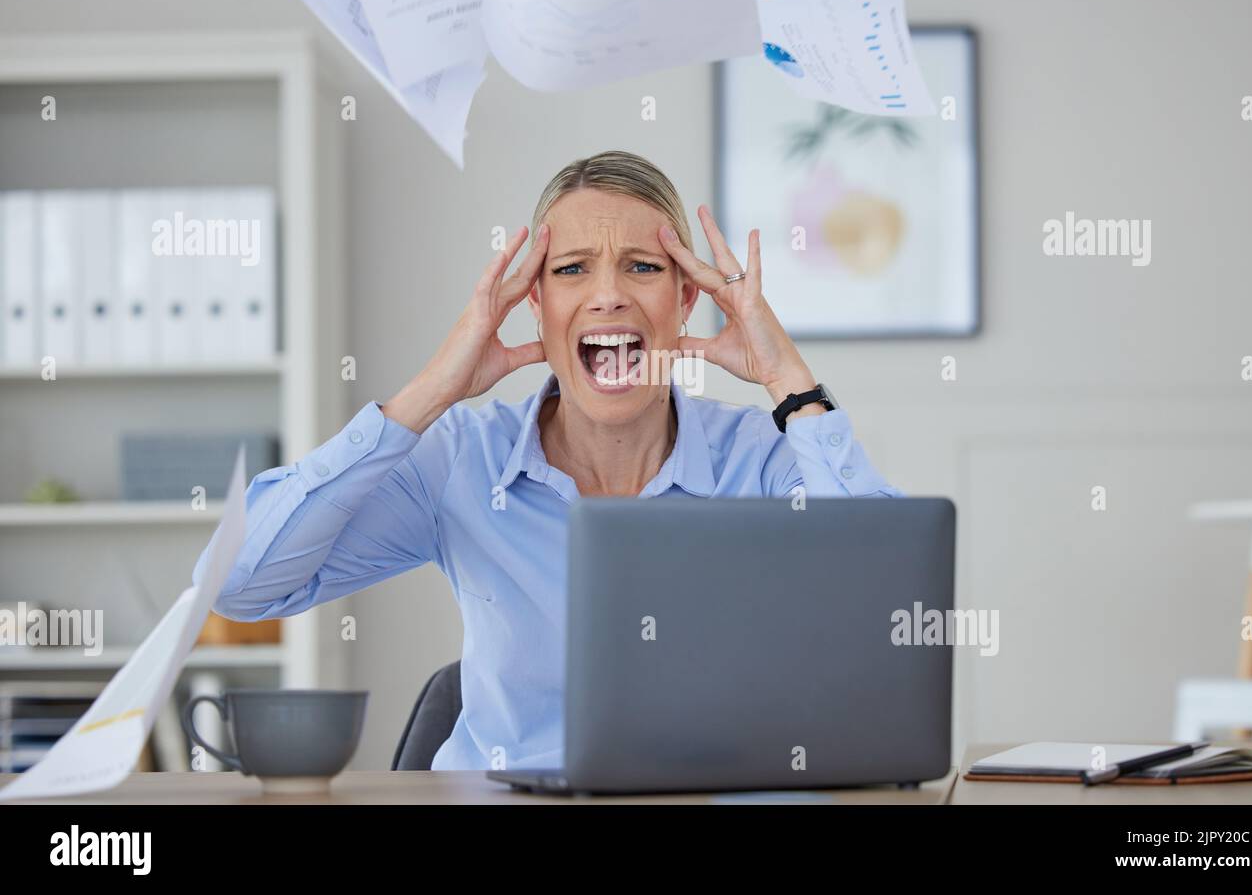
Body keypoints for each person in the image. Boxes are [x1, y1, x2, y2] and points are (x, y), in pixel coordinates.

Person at [196, 150, 900, 770]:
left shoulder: (755, 459)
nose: (608, 294)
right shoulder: (463, 458)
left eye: (643, 267)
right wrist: (430, 392)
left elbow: (889, 603)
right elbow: (236, 584)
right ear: (535, 301)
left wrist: (791, 382)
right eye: (571, 270)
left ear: (687, 298)